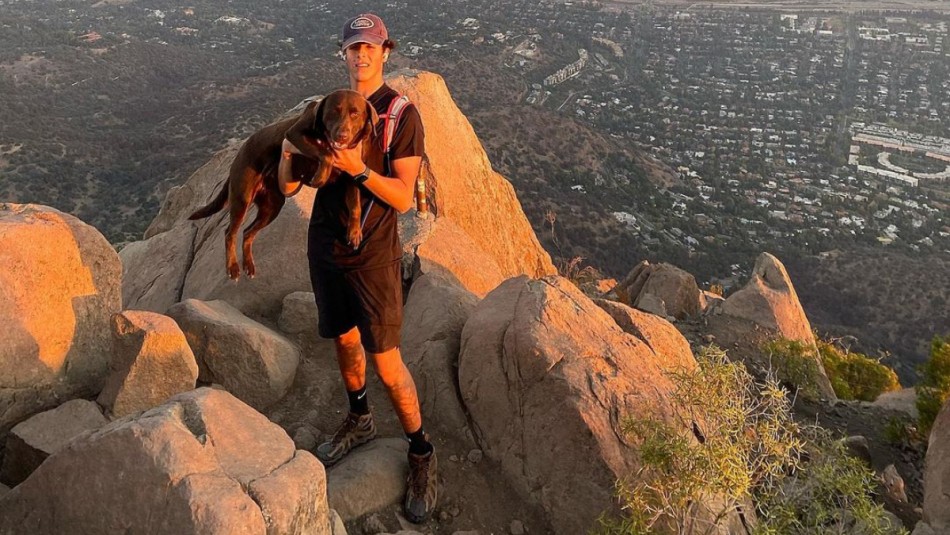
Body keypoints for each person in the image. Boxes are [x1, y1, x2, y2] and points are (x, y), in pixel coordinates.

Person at [277, 13, 438, 524]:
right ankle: (360, 419)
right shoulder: (324, 110)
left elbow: (402, 197)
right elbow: (287, 189)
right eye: (353, 48)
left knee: (387, 360)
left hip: (372, 254)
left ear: (385, 51)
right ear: (343, 54)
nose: (361, 55)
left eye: (370, 47)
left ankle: (420, 451)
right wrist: (286, 153)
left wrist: (358, 169)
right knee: (344, 342)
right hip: (325, 246)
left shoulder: (398, 115)